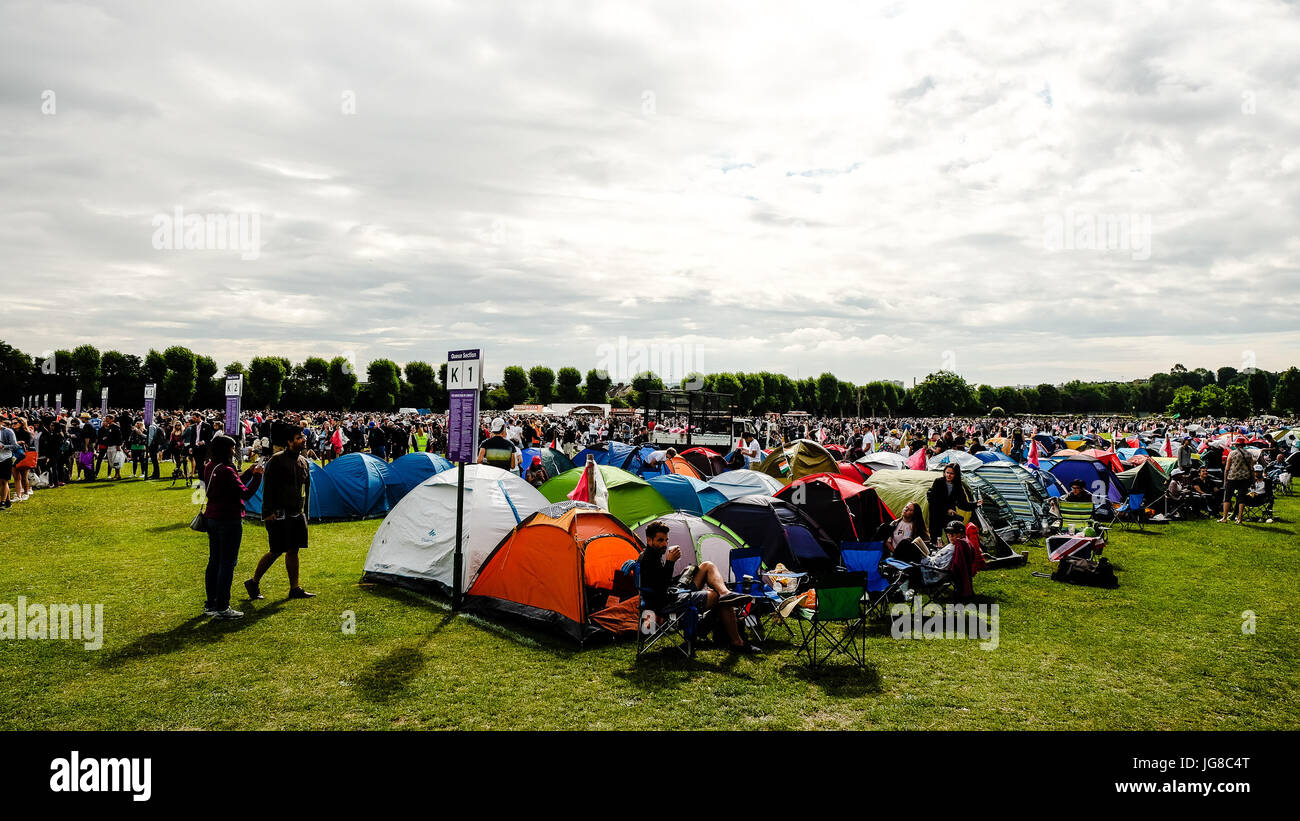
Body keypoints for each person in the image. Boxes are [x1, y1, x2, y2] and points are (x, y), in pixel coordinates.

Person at [638, 520, 759, 654]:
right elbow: (659, 590)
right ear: (649, 540)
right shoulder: (647, 560)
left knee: (706, 566)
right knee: (716, 596)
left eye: (666, 540)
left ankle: (725, 593)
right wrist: (670, 563)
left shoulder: (653, 555)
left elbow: (660, 582)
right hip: (664, 603)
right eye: (660, 540)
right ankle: (737, 642)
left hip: (671, 594)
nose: (665, 544)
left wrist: (681, 576)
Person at [245, 423, 316, 601]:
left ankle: (295, 588)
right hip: (278, 513)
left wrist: (304, 512)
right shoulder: (276, 460)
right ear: (289, 441)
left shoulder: (303, 461)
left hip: (297, 513)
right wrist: (268, 512)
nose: (303, 439)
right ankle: (253, 582)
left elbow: (305, 489)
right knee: (276, 550)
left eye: (303, 437)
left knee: (294, 550)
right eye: (299, 438)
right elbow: (268, 489)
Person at [201, 435, 264, 619]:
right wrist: (258, 477)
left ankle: (211, 603)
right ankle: (222, 606)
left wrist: (250, 473)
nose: (234, 450)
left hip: (212, 517)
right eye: (232, 447)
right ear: (225, 450)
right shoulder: (226, 470)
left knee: (214, 561)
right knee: (227, 563)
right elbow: (244, 494)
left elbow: (234, 485)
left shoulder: (211, 466)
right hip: (228, 519)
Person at [926, 463, 979, 547]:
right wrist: (946, 510)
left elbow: (962, 504)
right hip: (936, 513)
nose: (948, 475)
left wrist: (976, 504)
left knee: (953, 536)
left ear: (956, 474)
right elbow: (933, 500)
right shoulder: (938, 482)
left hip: (949, 516)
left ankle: (955, 553)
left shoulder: (957, 486)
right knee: (935, 538)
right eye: (947, 472)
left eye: (951, 473)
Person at [1220, 438, 1252, 524]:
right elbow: (1252, 468)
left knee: (1227, 497)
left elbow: (1227, 468)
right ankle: (1239, 518)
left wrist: (1225, 480)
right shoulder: (1249, 454)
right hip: (1244, 478)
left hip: (1232, 477)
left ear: (1236, 445)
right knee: (1241, 498)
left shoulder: (1232, 453)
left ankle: (1224, 517)